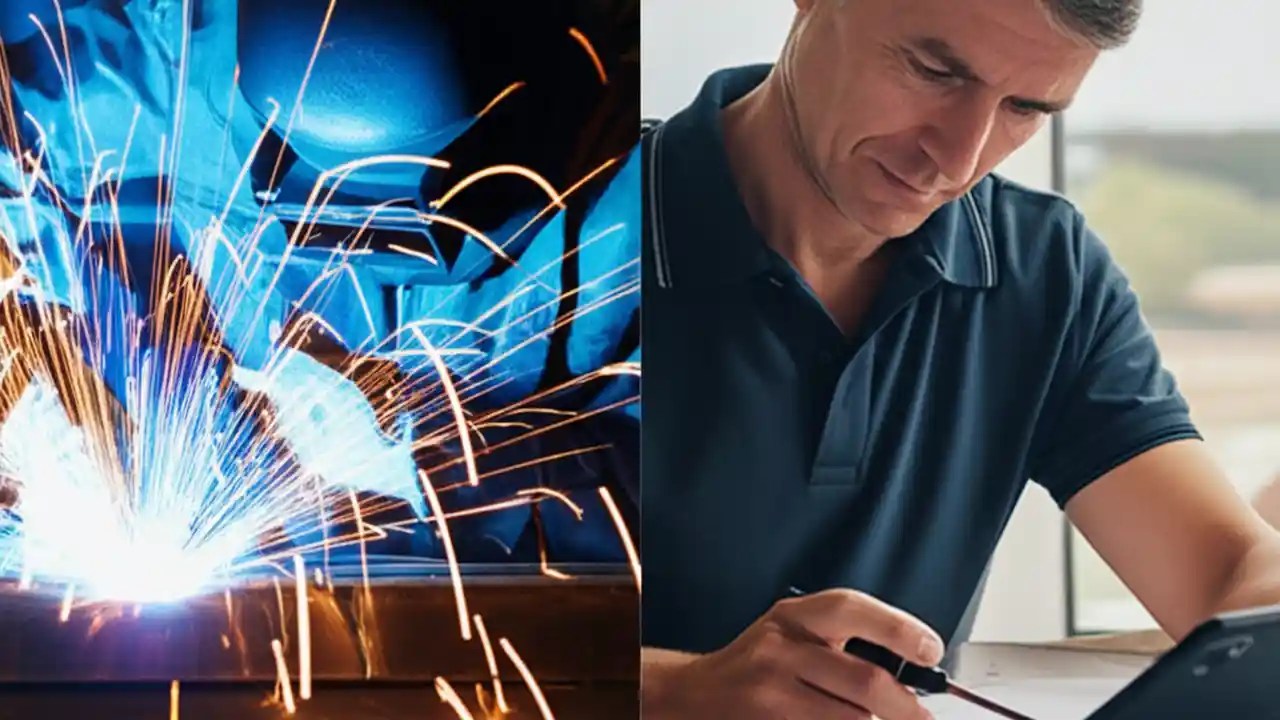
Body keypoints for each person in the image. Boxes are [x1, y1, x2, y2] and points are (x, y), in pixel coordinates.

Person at [641, 1, 1280, 718]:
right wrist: (674, 692)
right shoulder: (534, 242)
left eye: (1027, 107)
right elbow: (484, 636)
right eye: (935, 71)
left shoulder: (1045, 272)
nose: (958, 158)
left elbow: (1229, 571)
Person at [0, 0, 639, 567]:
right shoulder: (107, 65)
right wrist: (74, 380)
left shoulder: (645, 191)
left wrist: (432, 458)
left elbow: (678, 504)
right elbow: (31, 198)